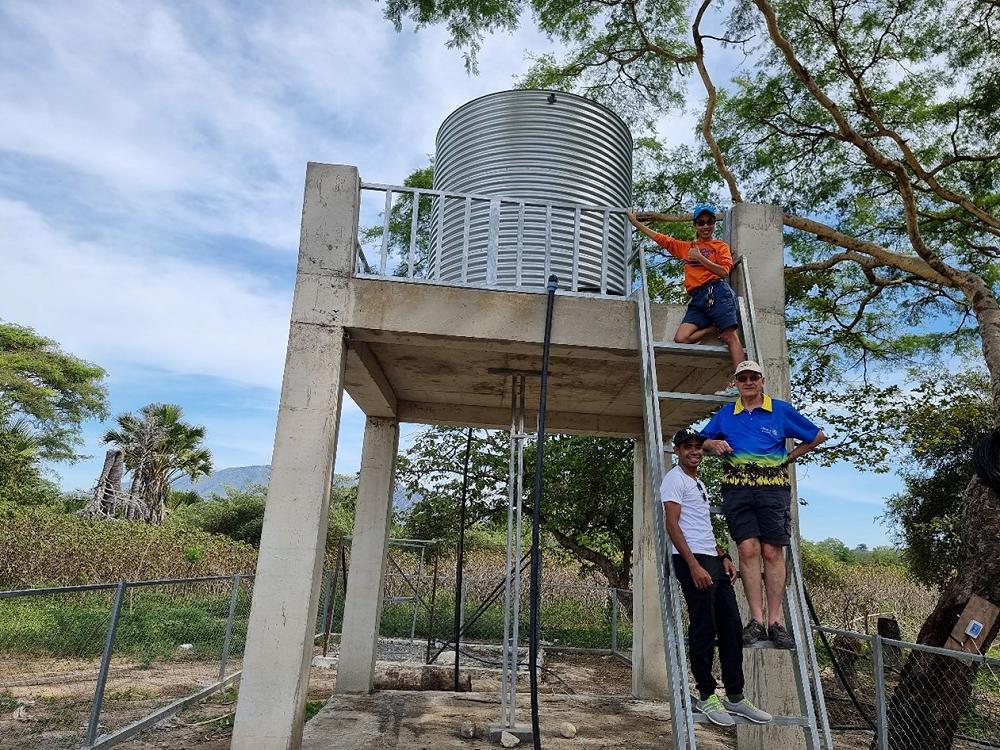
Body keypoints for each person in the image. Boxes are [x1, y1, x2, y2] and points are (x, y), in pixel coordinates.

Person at [701, 360, 826, 648]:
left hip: (773, 490)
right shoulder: (726, 413)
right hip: (737, 489)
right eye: (742, 378)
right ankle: (755, 620)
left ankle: (776, 621)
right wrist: (713, 445)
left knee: (772, 551)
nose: (748, 382)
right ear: (736, 383)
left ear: (762, 380)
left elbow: (816, 435)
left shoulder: (779, 409)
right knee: (747, 549)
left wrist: (789, 457)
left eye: (753, 377)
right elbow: (703, 441)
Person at [661, 427, 773, 726]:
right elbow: (672, 525)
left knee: (731, 627)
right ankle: (707, 695)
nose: (694, 451)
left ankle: (735, 696)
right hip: (692, 559)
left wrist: (723, 555)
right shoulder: (675, 479)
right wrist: (694, 565)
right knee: (703, 627)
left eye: (698, 446)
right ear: (678, 450)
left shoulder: (698, 481)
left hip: (712, 558)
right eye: (688, 447)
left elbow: (702, 525)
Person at [626, 204, 746, 377]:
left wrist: (700, 258)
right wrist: (635, 222)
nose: (706, 226)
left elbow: (724, 271)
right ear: (695, 225)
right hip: (697, 298)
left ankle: (740, 380)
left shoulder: (720, 246)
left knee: (730, 336)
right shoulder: (686, 247)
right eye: (701, 222)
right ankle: (714, 327)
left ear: (713, 224)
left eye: (710, 222)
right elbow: (662, 239)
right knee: (681, 338)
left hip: (716, 291)